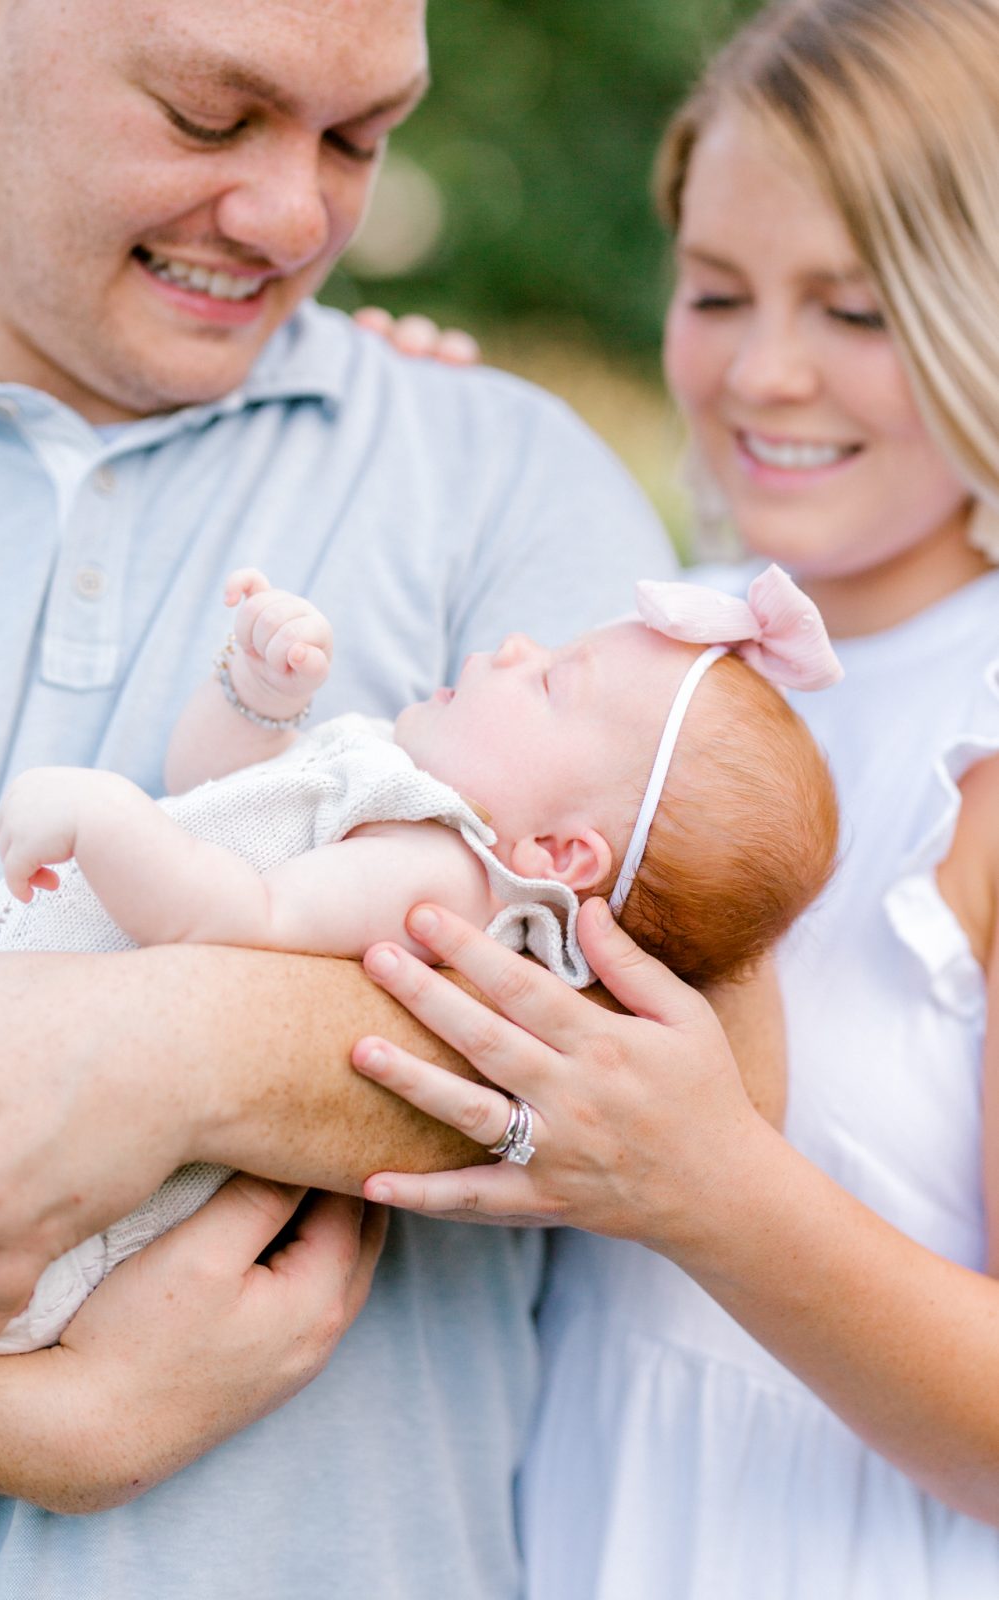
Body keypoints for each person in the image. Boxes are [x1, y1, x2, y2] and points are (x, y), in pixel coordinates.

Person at [0, 0, 732, 1593]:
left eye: (361, 137)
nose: (296, 216)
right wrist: (25, 1430)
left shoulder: (505, 477)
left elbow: (690, 1068)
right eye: (208, 116)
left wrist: (142, 1049)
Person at [341, 0, 999, 1594]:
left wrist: (713, 1192)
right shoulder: (624, 640)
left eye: (853, 309)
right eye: (714, 292)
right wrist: (393, 442)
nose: (763, 371)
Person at [0, 562, 839, 1353]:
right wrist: (257, 696)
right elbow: (224, 801)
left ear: (558, 858)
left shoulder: (443, 873)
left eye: (556, 682)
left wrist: (103, 819)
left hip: (48, 1220)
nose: (518, 647)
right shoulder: (404, 790)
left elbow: (237, 911)